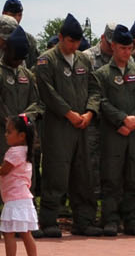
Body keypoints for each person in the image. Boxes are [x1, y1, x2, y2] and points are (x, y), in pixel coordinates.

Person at [35, 14, 97, 237]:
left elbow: (95, 89)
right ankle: (50, 221)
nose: (74, 46)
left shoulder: (84, 60)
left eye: (77, 42)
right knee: (56, 173)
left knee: (83, 174)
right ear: (60, 37)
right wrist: (68, 113)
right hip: (58, 126)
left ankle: (84, 221)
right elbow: (47, 92)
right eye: (70, 41)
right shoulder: (46, 60)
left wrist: (90, 112)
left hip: (82, 126)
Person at [0, 25, 41, 238]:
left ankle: (22, 224)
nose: (17, 62)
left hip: (24, 136)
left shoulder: (27, 74)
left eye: (21, 58)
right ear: (7, 50)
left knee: (23, 179)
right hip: (3, 132)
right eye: (15, 57)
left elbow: (37, 102)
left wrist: (25, 119)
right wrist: (11, 122)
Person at [93, 23, 135, 236]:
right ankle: (110, 219)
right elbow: (101, 101)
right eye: (122, 48)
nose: (126, 53)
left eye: (129, 49)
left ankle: (133, 220)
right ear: (114, 46)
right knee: (111, 177)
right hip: (113, 133)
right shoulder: (102, 74)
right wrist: (121, 120)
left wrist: (134, 119)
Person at [0, 115, 42, 256]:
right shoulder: (27, 151)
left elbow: (3, 170)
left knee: (9, 232)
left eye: (9, 132)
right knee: (26, 232)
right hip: (25, 198)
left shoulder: (14, 152)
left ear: (21, 135)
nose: (6, 135)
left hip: (14, 199)